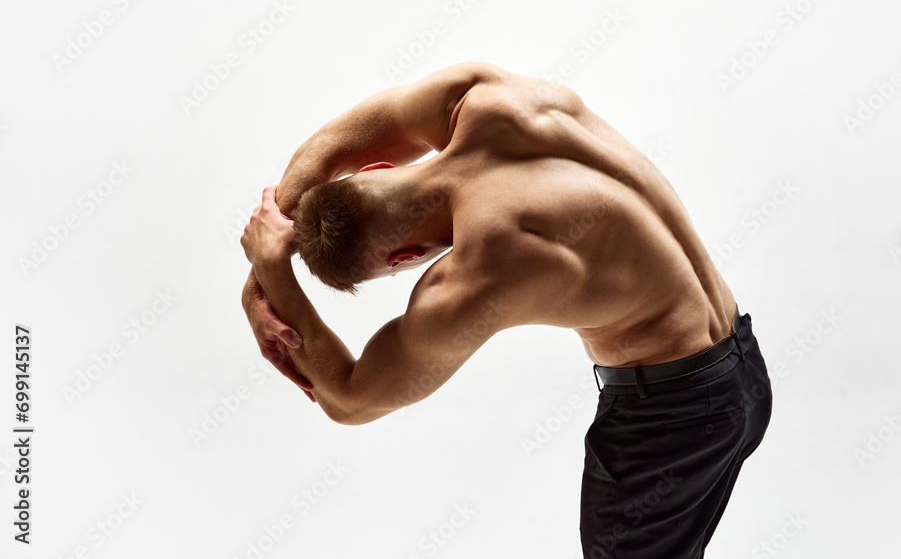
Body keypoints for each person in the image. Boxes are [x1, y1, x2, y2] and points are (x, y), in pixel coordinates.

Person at [240, 61, 772, 558]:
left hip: (672, 419)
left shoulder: (481, 270)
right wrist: (261, 269)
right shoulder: (482, 96)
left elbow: (352, 401)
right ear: (377, 166)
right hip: (744, 365)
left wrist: (274, 275)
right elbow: (333, 142)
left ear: (404, 258)